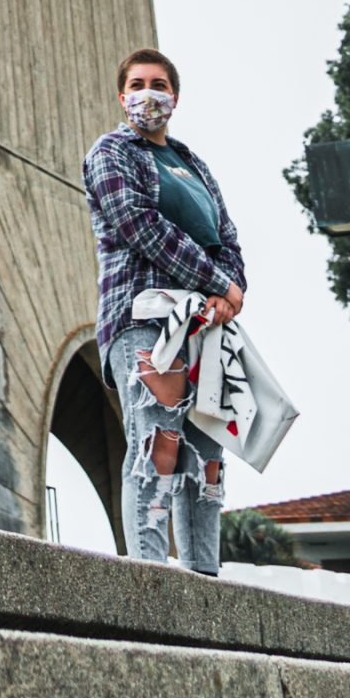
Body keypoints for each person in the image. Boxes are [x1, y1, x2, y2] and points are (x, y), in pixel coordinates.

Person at [83, 47, 247, 574]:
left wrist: (229, 291)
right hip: (144, 321)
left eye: (158, 84)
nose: (148, 94)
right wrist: (218, 282)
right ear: (121, 96)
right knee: (158, 445)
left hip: (207, 329)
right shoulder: (111, 153)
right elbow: (140, 225)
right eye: (137, 85)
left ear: (175, 96)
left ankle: (205, 581)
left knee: (207, 460)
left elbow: (227, 238)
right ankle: (150, 582)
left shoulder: (193, 165)